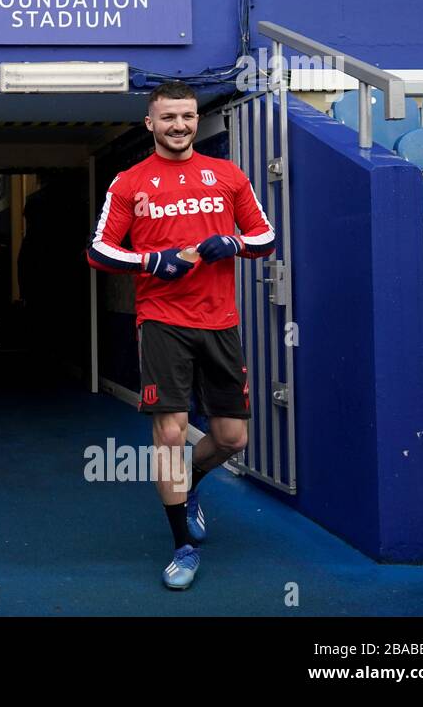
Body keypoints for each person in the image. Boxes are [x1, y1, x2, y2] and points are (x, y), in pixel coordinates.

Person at [86, 81, 275, 590]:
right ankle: (182, 547)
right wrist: (151, 259)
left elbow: (265, 238)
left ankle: (189, 484)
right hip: (162, 319)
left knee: (233, 437)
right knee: (170, 433)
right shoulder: (130, 182)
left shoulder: (228, 175)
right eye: (168, 117)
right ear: (150, 123)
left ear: (196, 119)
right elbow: (100, 251)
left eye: (187, 117)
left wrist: (231, 242)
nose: (179, 126)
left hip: (220, 322)